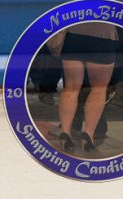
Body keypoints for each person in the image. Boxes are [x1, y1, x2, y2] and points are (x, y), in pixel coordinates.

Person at [49, 22, 117, 153]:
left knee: (71, 88)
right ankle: (88, 136)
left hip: (75, 34)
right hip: (104, 35)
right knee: (99, 89)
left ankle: (65, 133)